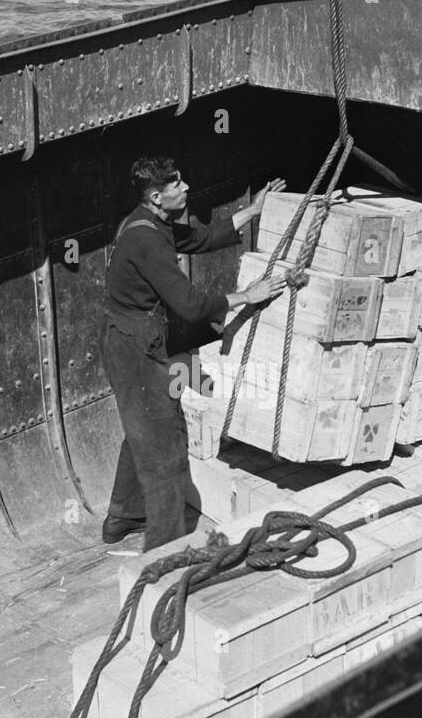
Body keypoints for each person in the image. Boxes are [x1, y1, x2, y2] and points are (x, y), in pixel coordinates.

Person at [100, 157, 285, 549]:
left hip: (131, 337)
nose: (186, 188)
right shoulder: (146, 240)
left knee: (142, 430)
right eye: (176, 185)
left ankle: (123, 516)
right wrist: (247, 296)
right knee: (165, 450)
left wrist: (251, 211)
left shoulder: (146, 222)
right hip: (134, 347)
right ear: (156, 196)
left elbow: (199, 239)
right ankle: (164, 552)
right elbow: (191, 306)